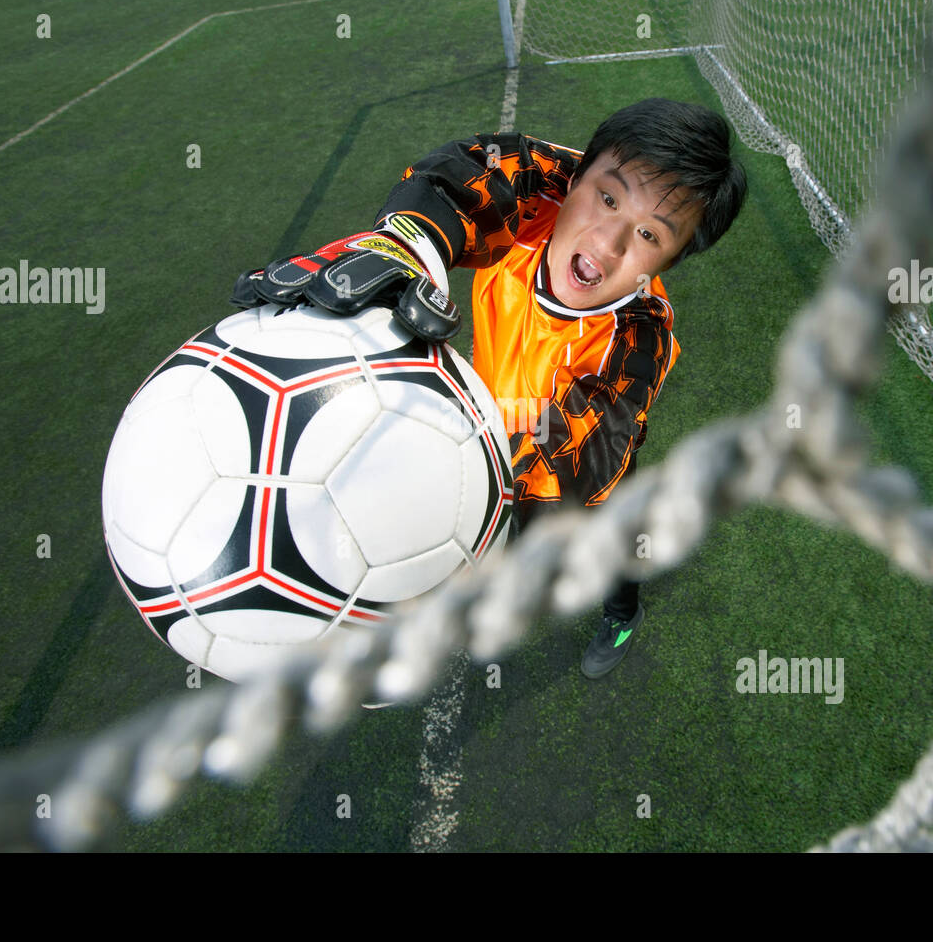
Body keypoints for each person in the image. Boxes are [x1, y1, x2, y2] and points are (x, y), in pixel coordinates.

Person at [231, 98, 747, 678]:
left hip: (563, 471)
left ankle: (622, 611)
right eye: (607, 199)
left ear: (669, 262)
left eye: (650, 235)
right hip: (483, 421)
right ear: (576, 178)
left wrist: (474, 450)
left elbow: (590, 439)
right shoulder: (540, 200)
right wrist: (403, 245)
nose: (608, 242)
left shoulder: (638, 335)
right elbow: (469, 174)